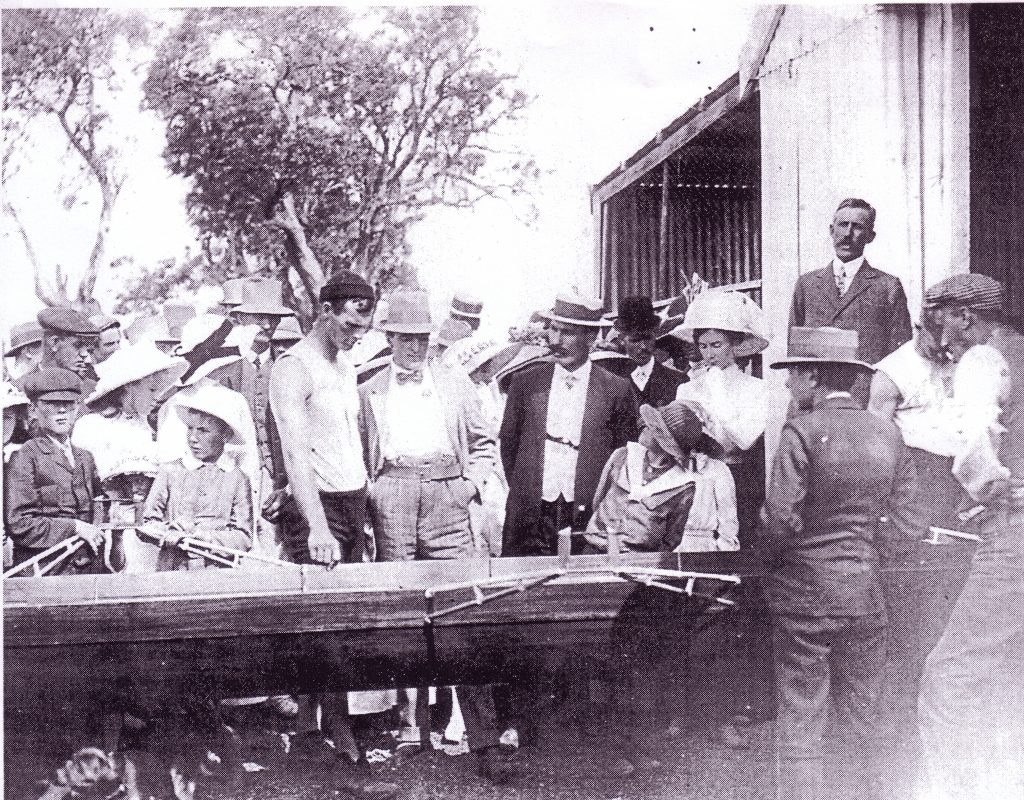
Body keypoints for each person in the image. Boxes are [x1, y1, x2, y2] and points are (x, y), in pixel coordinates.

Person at [358, 289, 509, 783]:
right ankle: (410, 734)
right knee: (403, 616)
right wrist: (377, 495)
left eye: (421, 338)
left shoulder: (456, 383)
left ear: (431, 339)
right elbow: (363, 454)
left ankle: (483, 739)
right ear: (389, 337)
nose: (413, 347)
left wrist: (471, 484)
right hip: (394, 492)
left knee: (464, 610)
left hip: (448, 492)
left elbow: (485, 443)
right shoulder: (370, 390)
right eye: (404, 338)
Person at [761, 326, 914, 800]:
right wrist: (865, 554)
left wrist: (780, 569)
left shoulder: (801, 430)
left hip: (805, 596)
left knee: (803, 711)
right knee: (860, 714)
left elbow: (780, 520)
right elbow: (909, 522)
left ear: (812, 376)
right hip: (865, 594)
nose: (788, 385)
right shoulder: (888, 432)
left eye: (792, 375)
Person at [916, 273, 1024, 798]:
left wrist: (986, 493)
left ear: (965, 316)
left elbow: (972, 444)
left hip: (1015, 536)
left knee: (948, 679)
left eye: (946, 327)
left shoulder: (983, 360)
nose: (944, 343)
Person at [268, 269, 375, 764]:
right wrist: (316, 526)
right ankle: (335, 728)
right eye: (350, 325)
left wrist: (364, 507)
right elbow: (296, 453)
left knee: (344, 621)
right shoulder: (294, 367)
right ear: (325, 311)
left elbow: (350, 442)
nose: (355, 336)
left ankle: (316, 727)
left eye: (362, 328)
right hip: (318, 507)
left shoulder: (345, 365)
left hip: (352, 502)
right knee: (323, 624)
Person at [500, 293, 638, 556]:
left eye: (567, 332)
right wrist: (526, 489)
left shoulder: (616, 389)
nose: (555, 340)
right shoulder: (526, 383)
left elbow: (623, 456)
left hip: (586, 513)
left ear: (590, 337)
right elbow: (509, 447)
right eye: (553, 329)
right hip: (531, 512)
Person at [788, 198, 913, 403]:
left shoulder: (888, 286)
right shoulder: (807, 284)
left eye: (857, 227)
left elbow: (899, 357)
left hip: (864, 404)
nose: (847, 234)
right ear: (831, 230)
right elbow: (794, 355)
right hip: (814, 403)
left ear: (870, 236)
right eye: (843, 225)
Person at [673, 290, 768, 543]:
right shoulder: (687, 388)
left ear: (735, 345)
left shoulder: (757, 388)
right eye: (703, 346)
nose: (709, 354)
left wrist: (715, 390)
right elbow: (678, 439)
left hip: (740, 480)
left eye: (717, 345)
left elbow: (743, 441)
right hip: (696, 480)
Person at [4, 368, 108, 574]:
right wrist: (75, 527)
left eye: (69, 404)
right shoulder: (25, 456)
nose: (62, 411)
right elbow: (19, 524)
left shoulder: (85, 458)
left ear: (78, 407)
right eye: (52, 404)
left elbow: (98, 510)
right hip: (44, 571)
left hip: (88, 568)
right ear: (33, 410)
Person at [143, 383, 253, 572]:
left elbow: (244, 537)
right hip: (173, 570)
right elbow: (147, 524)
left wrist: (207, 538)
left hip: (218, 572)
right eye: (190, 428)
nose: (193, 438)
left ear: (225, 435)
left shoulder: (237, 479)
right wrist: (168, 532)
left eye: (203, 430)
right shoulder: (171, 471)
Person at [72, 342, 187, 482]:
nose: (157, 397)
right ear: (129, 386)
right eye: (152, 390)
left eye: (159, 390)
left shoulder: (152, 423)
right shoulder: (90, 426)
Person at [602, 296, 686, 409]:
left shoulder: (679, 381)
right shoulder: (608, 382)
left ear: (655, 335)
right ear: (621, 339)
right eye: (635, 340)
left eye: (647, 338)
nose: (643, 347)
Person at [16, 308, 100, 396]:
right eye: (77, 345)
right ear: (54, 342)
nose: (87, 360)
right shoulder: (19, 390)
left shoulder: (92, 390)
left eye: (89, 350)